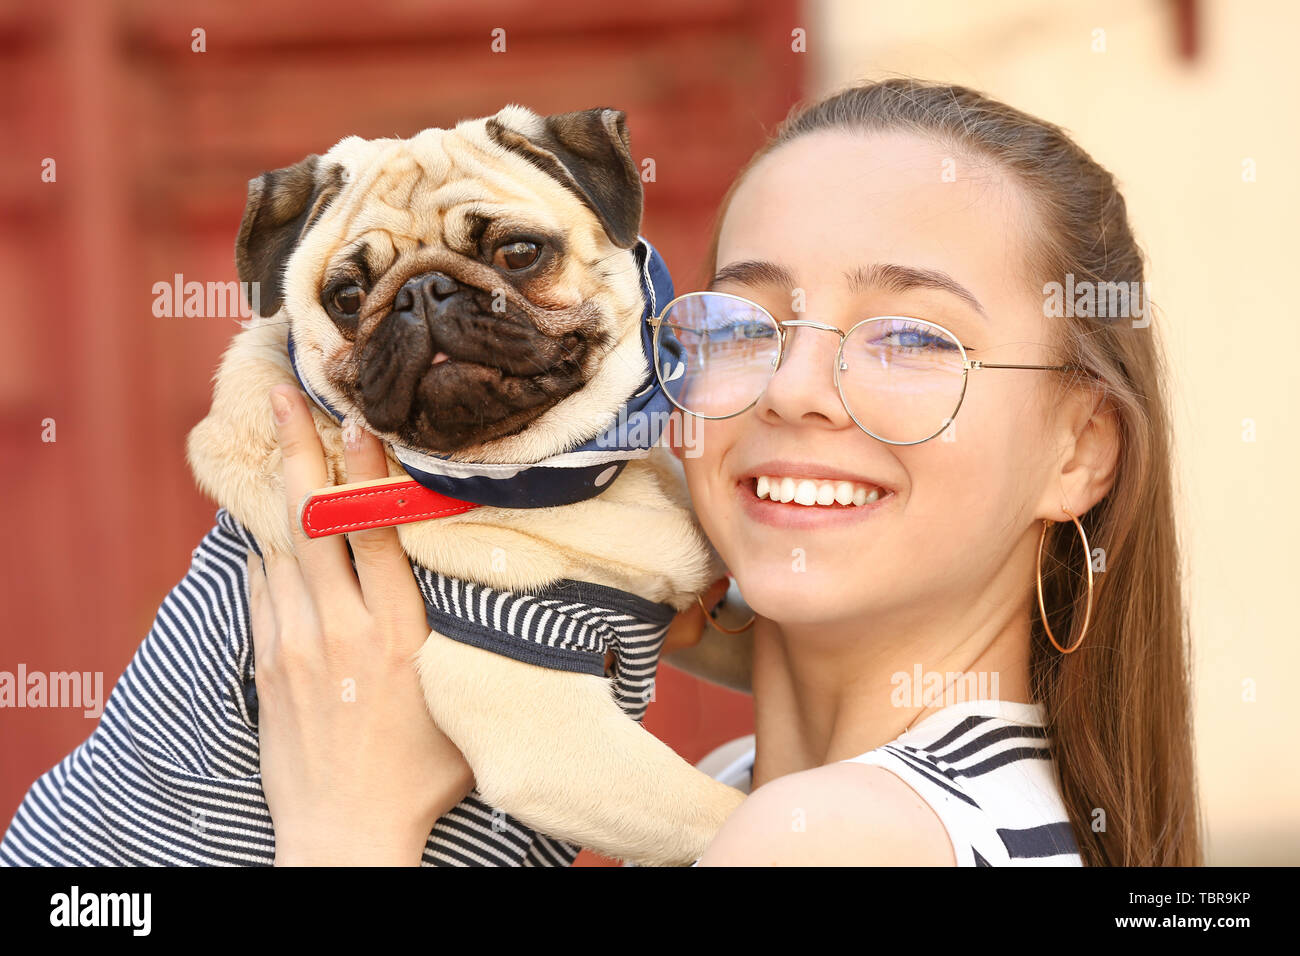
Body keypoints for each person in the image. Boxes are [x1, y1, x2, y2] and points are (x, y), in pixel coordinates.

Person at [36, 77, 1196, 867]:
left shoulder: (809, 834)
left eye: (908, 337)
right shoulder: (774, 781)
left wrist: (347, 826)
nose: (794, 386)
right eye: (744, 318)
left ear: (1081, 446)